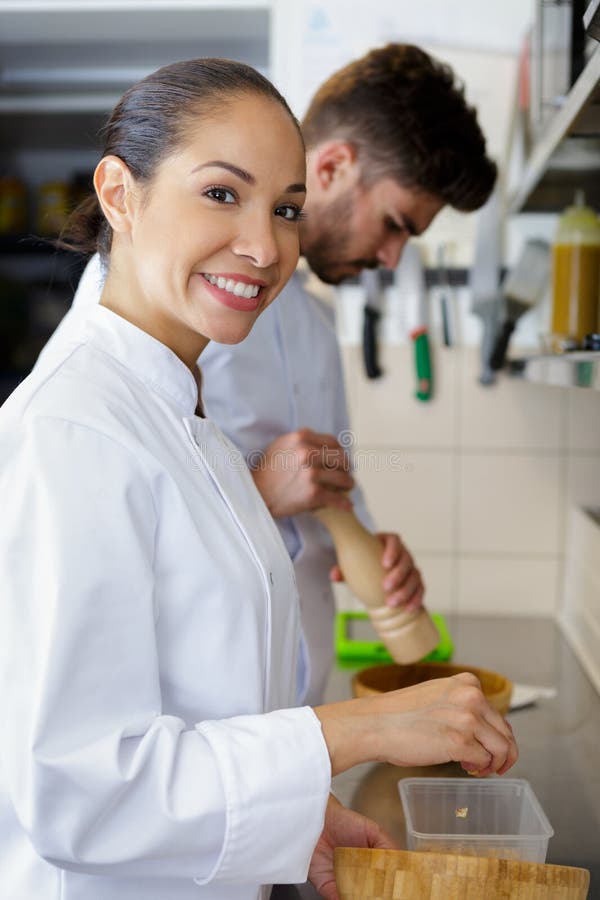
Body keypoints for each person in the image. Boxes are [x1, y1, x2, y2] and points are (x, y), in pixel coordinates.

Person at [0, 57, 517, 900]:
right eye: (220, 194)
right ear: (119, 194)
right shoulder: (71, 434)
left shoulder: (180, 405)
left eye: (284, 209)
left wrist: (293, 820)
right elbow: (83, 796)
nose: (264, 244)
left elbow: (199, 708)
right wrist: (362, 727)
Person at [55, 44, 498, 707]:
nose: (391, 256)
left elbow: (325, 491)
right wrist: (255, 486)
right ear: (336, 165)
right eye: (394, 225)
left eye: (282, 212)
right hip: (200, 724)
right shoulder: (144, 319)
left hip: (291, 712)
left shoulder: (314, 328)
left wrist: (367, 545)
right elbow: (122, 531)